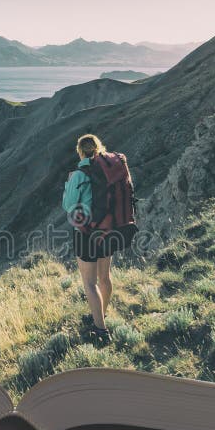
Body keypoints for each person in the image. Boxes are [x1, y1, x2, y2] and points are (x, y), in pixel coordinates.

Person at [62, 134, 135, 344]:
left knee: (89, 282)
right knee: (104, 278)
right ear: (99, 148)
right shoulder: (111, 171)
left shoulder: (78, 174)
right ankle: (102, 313)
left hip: (87, 233)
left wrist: (69, 185)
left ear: (80, 151)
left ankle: (100, 330)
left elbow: (68, 206)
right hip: (110, 228)